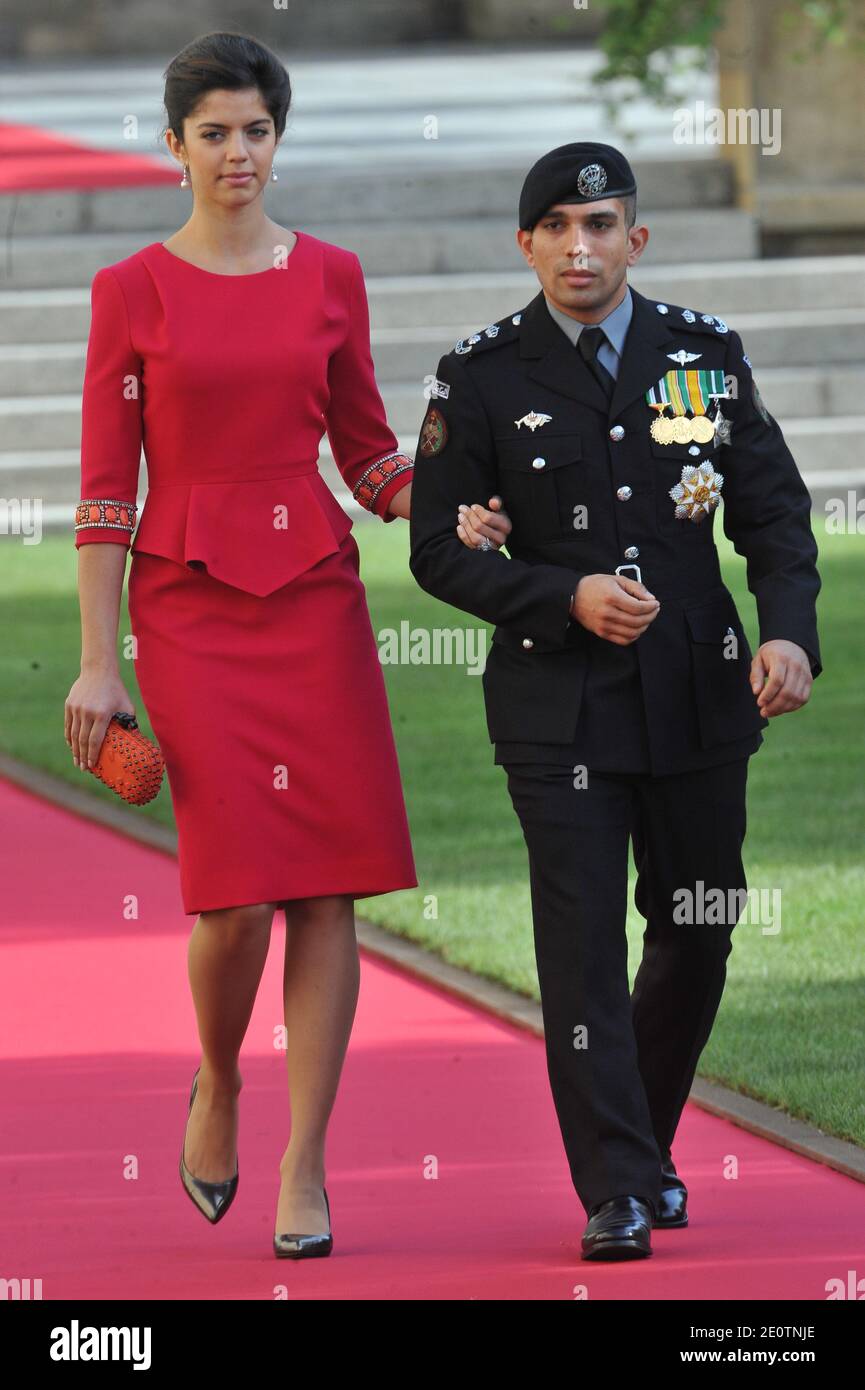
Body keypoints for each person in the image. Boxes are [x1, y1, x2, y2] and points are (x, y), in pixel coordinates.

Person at [63, 32, 510, 1260]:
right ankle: (219, 1079)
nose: (237, 153)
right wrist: (99, 660)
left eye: (255, 130)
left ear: (278, 138)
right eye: (213, 132)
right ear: (174, 145)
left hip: (313, 597)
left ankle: (304, 1170)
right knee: (236, 898)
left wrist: (446, 497)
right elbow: (107, 495)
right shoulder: (129, 294)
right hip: (191, 608)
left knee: (328, 890)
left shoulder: (330, 275)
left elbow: (366, 451)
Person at [409, 141, 821, 1261]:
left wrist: (786, 630)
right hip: (559, 708)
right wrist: (560, 593)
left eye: (601, 226)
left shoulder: (701, 353)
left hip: (695, 695)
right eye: (557, 227)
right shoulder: (480, 374)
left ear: (636, 239)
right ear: (526, 243)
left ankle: (641, 1142)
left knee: (697, 928)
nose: (578, 247)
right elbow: (437, 557)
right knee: (583, 944)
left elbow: (773, 516)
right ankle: (618, 1188)